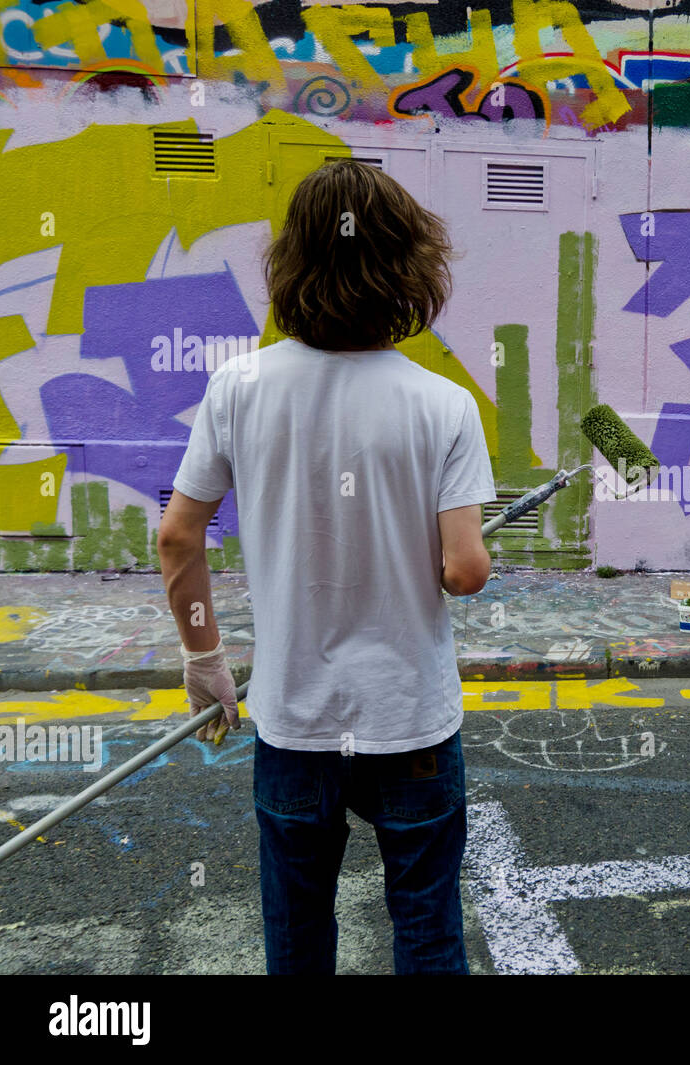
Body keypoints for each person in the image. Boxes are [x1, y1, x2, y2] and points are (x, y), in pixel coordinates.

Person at [158, 159, 496, 974]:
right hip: (408, 720)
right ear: (406, 266)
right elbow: (464, 572)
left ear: (294, 263)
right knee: (425, 925)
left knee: (298, 934)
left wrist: (204, 657)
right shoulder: (443, 404)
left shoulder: (238, 387)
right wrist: (459, 541)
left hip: (296, 723)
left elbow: (178, 535)